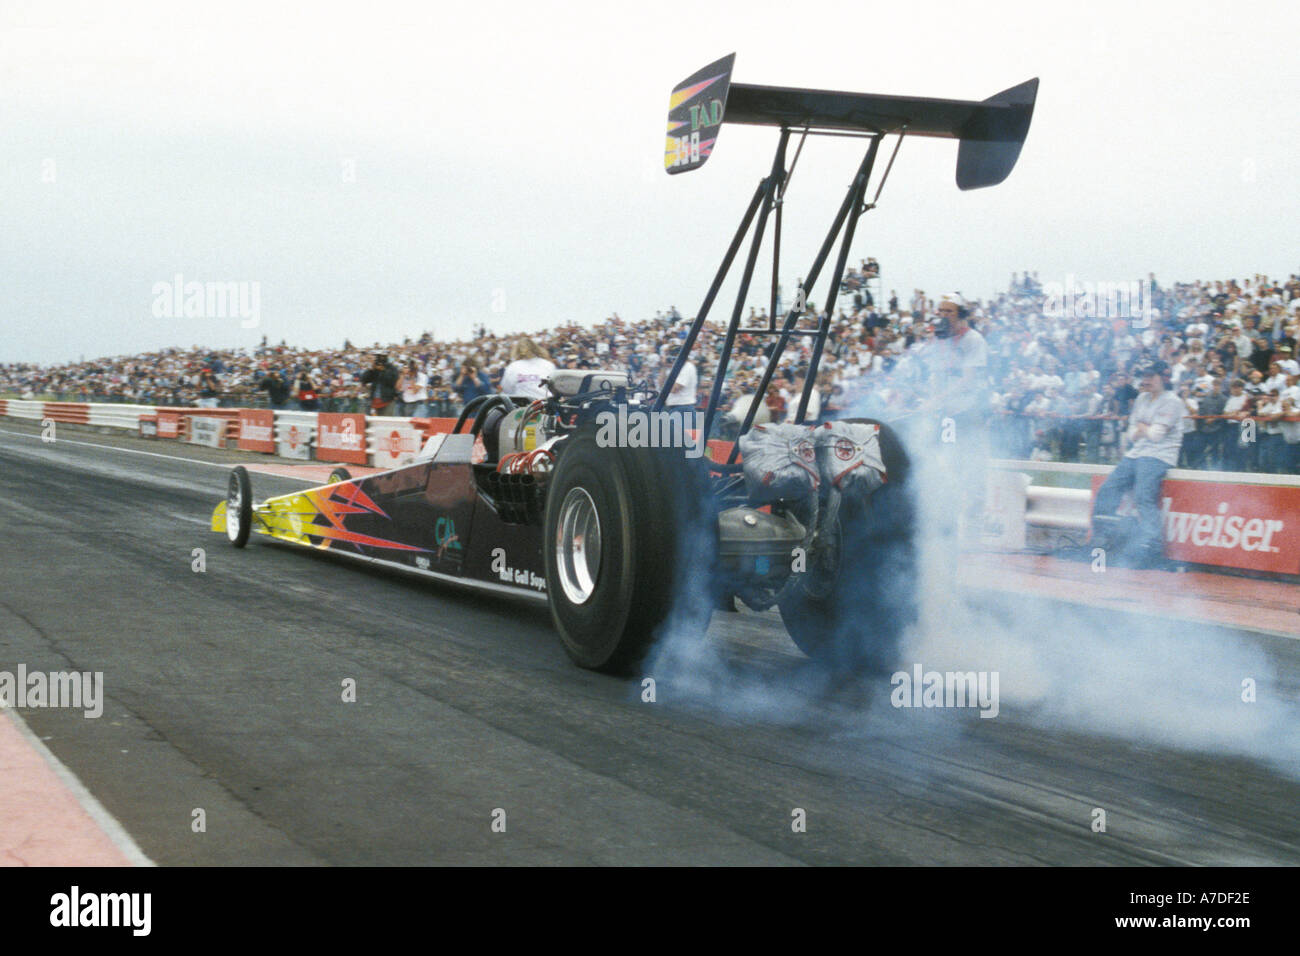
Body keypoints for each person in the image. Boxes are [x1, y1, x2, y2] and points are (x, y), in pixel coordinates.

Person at [1090, 362, 1184, 568]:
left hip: (1159, 455)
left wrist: (1142, 429)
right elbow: (1132, 432)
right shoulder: (1141, 398)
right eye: (1144, 376)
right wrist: (1143, 429)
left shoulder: (1173, 402)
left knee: (1143, 496)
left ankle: (1152, 545)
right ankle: (1103, 538)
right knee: (1108, 489)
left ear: (1164, 377)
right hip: (1137, 452)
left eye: (1151, 376)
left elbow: (1156, 436)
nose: (1146, 380)